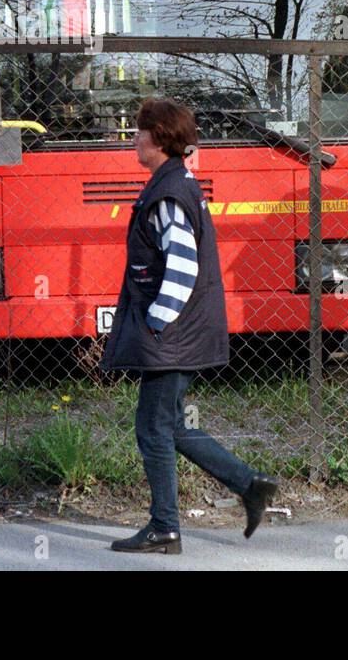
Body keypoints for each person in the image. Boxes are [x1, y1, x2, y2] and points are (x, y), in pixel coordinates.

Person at [102, 98, 278, 554]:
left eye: (139, 131)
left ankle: (166, 527)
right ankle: (250, 484)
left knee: (153, 428)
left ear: (159, 138)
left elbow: (182, 269)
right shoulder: (176, 183)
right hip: (180, 334)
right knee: (167, 424)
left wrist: (157, 326)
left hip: (172, 336)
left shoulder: (167, 195)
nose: (133, 138)